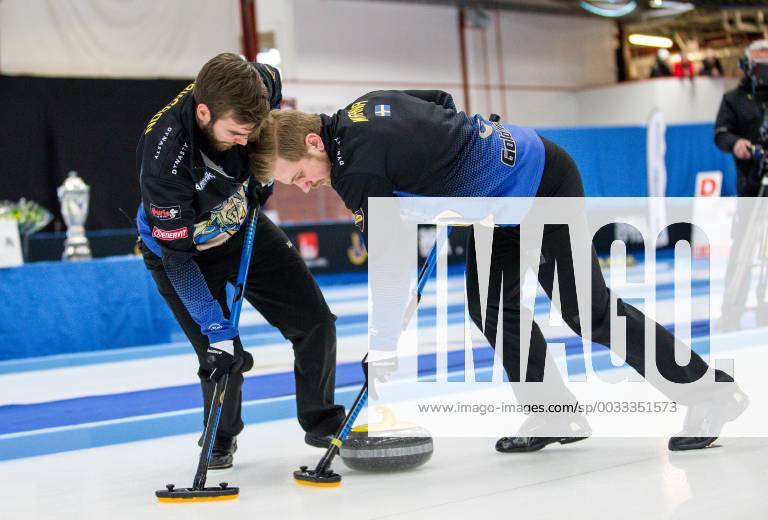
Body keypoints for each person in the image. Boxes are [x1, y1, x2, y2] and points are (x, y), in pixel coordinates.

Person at [249, 89, 749, 453]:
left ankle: (713, 392)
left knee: (586, 313)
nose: (306, 186)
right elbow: (441, 101)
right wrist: (454, 160)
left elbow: (388, 269)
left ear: (313, 141)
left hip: (543, 183)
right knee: (490, 304)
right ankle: (556, 413)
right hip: (503, 198)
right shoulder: (361, 108)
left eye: (298, 175)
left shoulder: (356, 169)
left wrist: (381, 346)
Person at [135, 53, 345, 469]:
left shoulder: (259, 86)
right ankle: (219, 438)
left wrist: (267, 172)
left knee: (316, 321)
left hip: (241, 224)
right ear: (203, 112)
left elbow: (278, 106)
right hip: (183, 254)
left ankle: (321, 422)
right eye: (235, 133)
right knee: (221, 353)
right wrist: (214, 326)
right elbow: (177, 257)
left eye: (252, 132)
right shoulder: (164, 159)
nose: (245, 142)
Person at [715, 39, 768, 331]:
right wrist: (737, 144)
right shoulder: (733, 99)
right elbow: (721, 133)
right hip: (751, 184)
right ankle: (731, 311)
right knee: (744, 249)